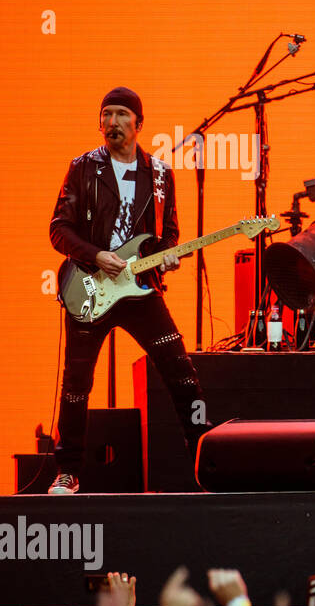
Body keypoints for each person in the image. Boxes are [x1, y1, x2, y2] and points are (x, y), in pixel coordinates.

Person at [47, 87, 209, 494]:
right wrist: (96, 255)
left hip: (140, 287)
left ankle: (205, 459)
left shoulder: (160, 174)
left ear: (138, 124)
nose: (112, 122)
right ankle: (67, 470)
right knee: (77, 383)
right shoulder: (83, 168)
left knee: (180, 370)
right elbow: (58, 229)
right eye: (106, 115)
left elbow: (168, 232)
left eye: (121, 114)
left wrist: (169, 254)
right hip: (89, 285)